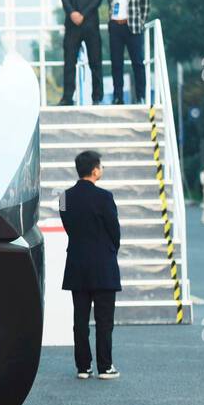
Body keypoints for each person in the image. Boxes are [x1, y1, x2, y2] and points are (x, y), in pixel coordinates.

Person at [60, 150, 122, 380]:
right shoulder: (105, 197)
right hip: (103, 265)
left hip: (77, 263)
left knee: (80, 319)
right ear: (95, 169)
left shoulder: (64, 197)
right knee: (104, 320)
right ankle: (105, 367)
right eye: (101, 166)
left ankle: (83, 367)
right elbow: (114, 230)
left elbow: (68, 226)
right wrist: (109, 249)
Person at [59, 0, 105, 106]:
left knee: (95, 61)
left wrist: (82, 15)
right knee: (69, 61)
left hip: (90, 25)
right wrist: (72, 13)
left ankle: (97, 97)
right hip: (71, 25)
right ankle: (67, 97)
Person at [105, 0, 150, 104]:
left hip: (132, 26)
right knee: (116, 63)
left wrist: (140, 21)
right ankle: (118, 97)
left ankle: (140, 96)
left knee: (137, 62)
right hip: (115, 26)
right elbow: (110, 1)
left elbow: (145, 6)